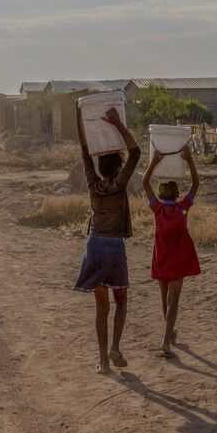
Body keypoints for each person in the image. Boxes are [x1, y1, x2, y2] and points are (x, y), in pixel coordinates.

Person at [74, 104, 141, 374]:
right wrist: (116, 124)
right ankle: (115, 347)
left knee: (101, 309)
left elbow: (84, 149)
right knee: (121, 302)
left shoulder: (93, 183)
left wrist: (80, 117)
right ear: (119, 166)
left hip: (94, 245)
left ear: (99, 165)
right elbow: (135, 152)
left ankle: (103, 361)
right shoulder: (119, 184)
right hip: (114, 246)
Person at [142, 146, 200, 358]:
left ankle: (170, 333)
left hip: (161, 257)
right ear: (177, 194)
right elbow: (196, 183)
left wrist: (154, 163)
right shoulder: (182, 208)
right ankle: (166, 341)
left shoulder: (157, 209)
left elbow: (145, 182)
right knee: (174, 299)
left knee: (165, 297)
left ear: (159, 194)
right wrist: (190, 159)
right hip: (178, 259)